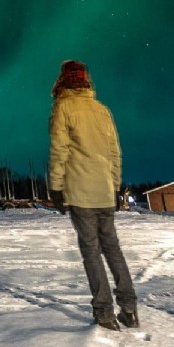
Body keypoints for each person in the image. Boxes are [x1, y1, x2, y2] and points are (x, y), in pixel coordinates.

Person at [48, 59, 138, 331]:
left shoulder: (63, 107)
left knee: (92, 252)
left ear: (63, 81)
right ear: (86, 81)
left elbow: (59, 150)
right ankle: (130, 308)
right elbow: (114, 152)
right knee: (113, 248)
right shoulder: (102, 110)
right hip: (103, 191)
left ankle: (104, 312)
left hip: (80, 191)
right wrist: (114, 186)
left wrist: (55, 186)